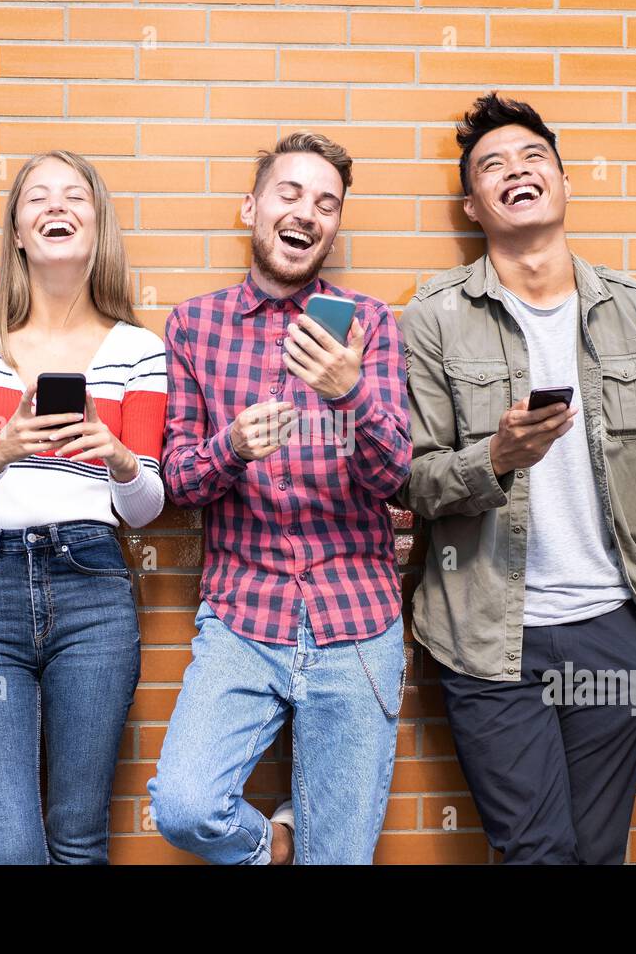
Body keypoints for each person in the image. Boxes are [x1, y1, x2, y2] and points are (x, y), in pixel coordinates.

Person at [397, 92, 636, 864]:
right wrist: (494, 458)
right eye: (492, 165)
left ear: (563, 182)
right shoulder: (433, 316)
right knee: (537, 851)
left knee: (596, 854)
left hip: (615, 630)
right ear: (472, 204)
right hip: (490, 635)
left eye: (533, 159)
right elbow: (414, 481)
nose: (516, 171)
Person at [147, 132, 411, 865]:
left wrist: (347, 392)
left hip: (355, 616)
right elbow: (177, 483)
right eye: (290, 194)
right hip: (242, 614)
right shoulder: (192, 326)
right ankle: (275, 841)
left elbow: (396, 478)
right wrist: (233, 446)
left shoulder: (370, 324)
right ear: (251, 208)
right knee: (186, 806)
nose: (308, 213)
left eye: (327, 203)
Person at [0, 151, 166, 864]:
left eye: (74, 196)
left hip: (93, 584)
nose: (56, 206)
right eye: (37, 198)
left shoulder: (138, 350)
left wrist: (119, 457)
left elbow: (147, 506)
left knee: (78, 838)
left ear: (98, 227)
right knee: (8, 847)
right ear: (17, 232)